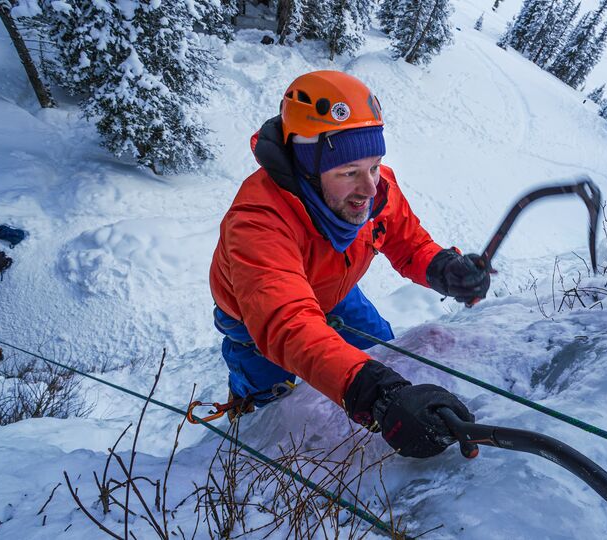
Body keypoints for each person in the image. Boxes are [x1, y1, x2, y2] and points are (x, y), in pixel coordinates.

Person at [209, 70, 490, 458]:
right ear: (307, 167)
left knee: (387, 352)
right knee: (272, 403)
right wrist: (376, 396)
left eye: (374, 165)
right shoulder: (258, 221)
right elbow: (287, 322)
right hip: (255, 318)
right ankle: (245, 399)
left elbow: (409, 244)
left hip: (333, 293)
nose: (370, 187)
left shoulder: (374, 190)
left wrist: (443, 268)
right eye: (349, 172)